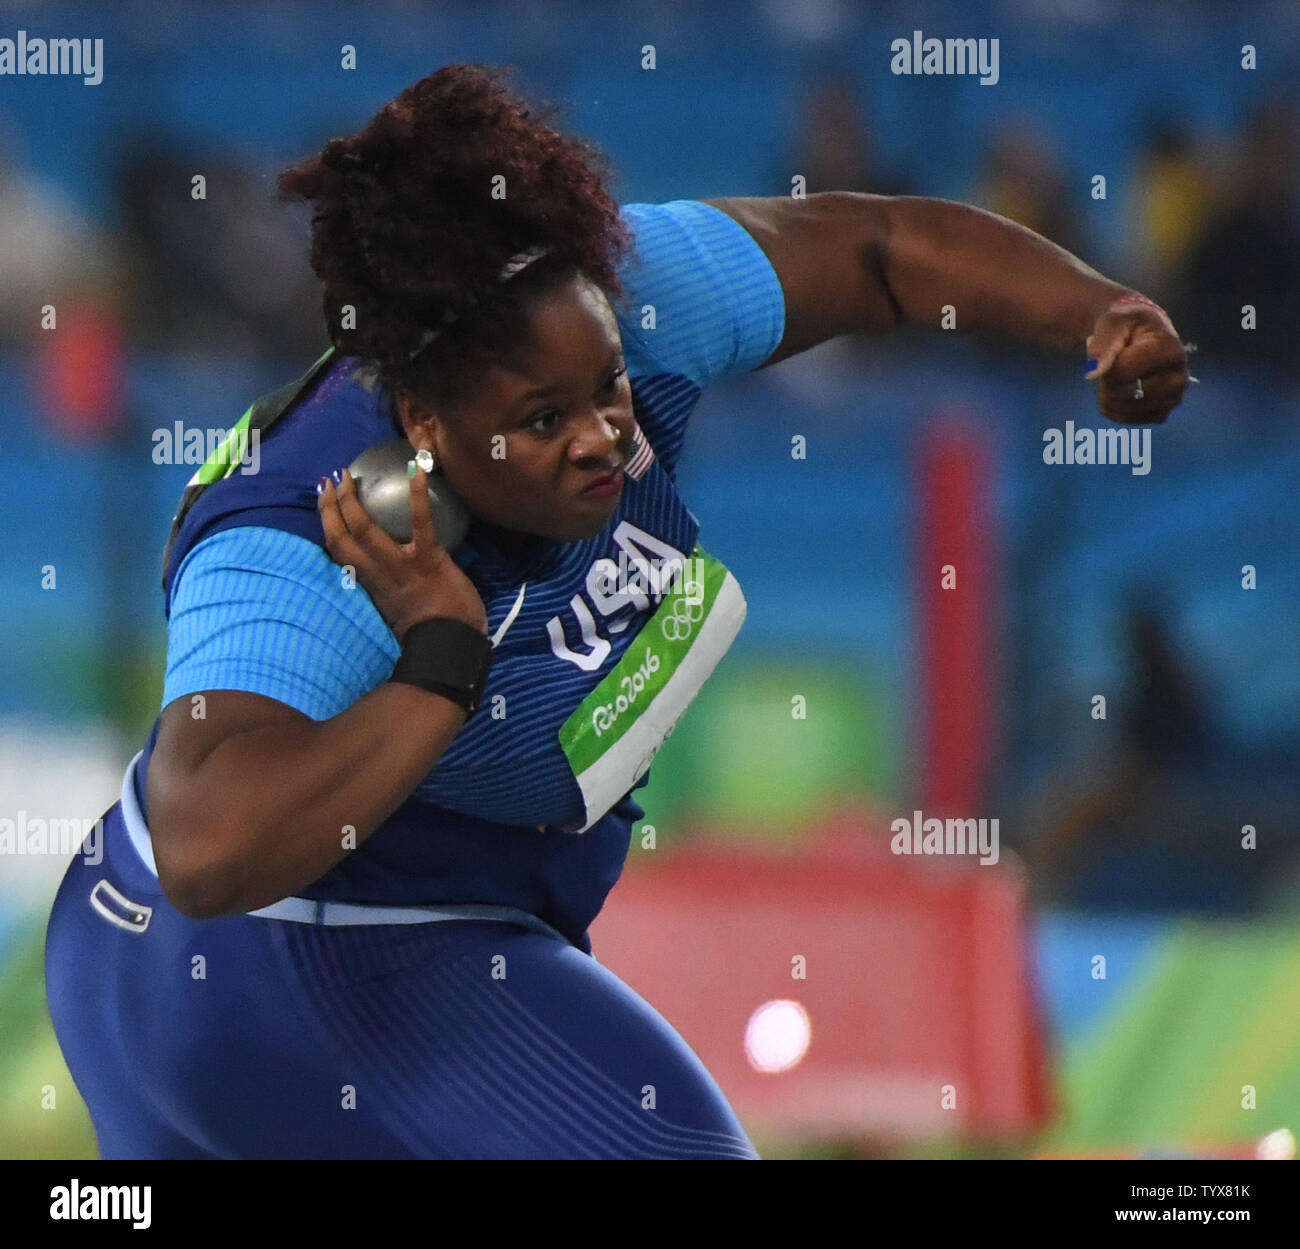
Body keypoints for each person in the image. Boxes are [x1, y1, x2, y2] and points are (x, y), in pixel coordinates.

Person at [44, 64, 1189, 1160]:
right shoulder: (305, 539)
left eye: (604, 388)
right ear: (425, 423)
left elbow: (880, 248)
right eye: (542, 418)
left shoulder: (627, 303)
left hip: (260, 959)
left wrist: (1101, 310)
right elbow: (205, 851)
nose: (600, 435)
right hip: (278, 958)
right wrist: (438, 665)